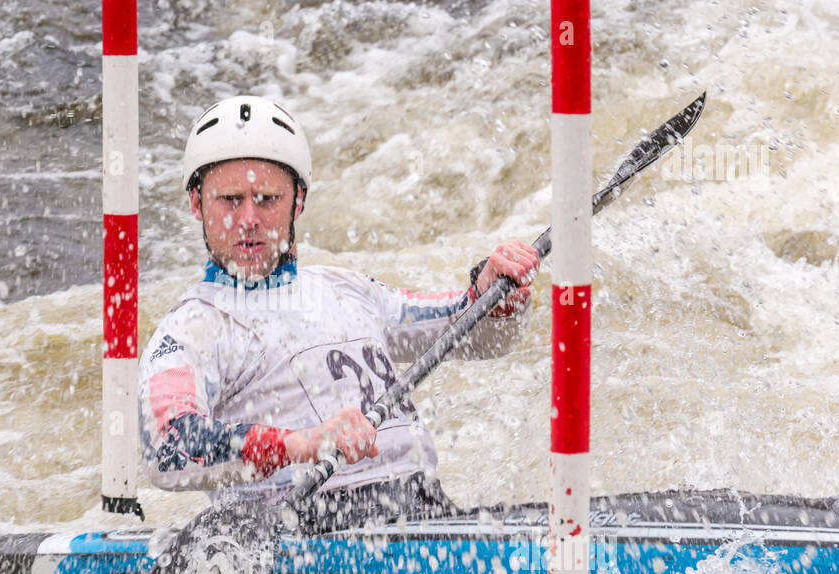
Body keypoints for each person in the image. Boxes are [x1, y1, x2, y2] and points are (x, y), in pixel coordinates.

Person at [138, 95, 539, 531]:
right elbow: (168, 447)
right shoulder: (193, 327)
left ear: (299, 202)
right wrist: (300, 444)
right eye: (230, 200)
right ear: (197, 203)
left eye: (267, 198)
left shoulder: (344, 288)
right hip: (304, 534)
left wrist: (494, 297)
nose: (248, 219)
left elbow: (470, 332)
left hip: (425, 512)